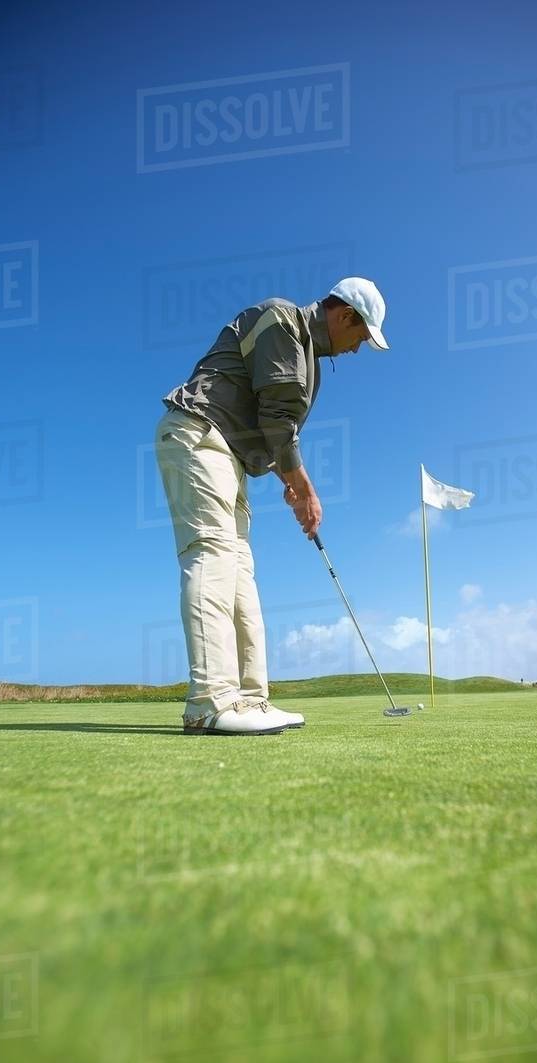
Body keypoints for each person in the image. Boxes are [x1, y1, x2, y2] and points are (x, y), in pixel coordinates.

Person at [155, 277, 389, 735]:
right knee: (215, 556)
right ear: (344, 316)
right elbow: (277, 417)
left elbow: (276, 429)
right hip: (198, 436)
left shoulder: (308, 354)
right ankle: (209, 702)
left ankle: (250, 701)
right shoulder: (282, 319)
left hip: (230, 458)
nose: (358, 349)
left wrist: (289, 477)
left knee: (242, 579)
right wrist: (304, 487)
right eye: (360, 336)